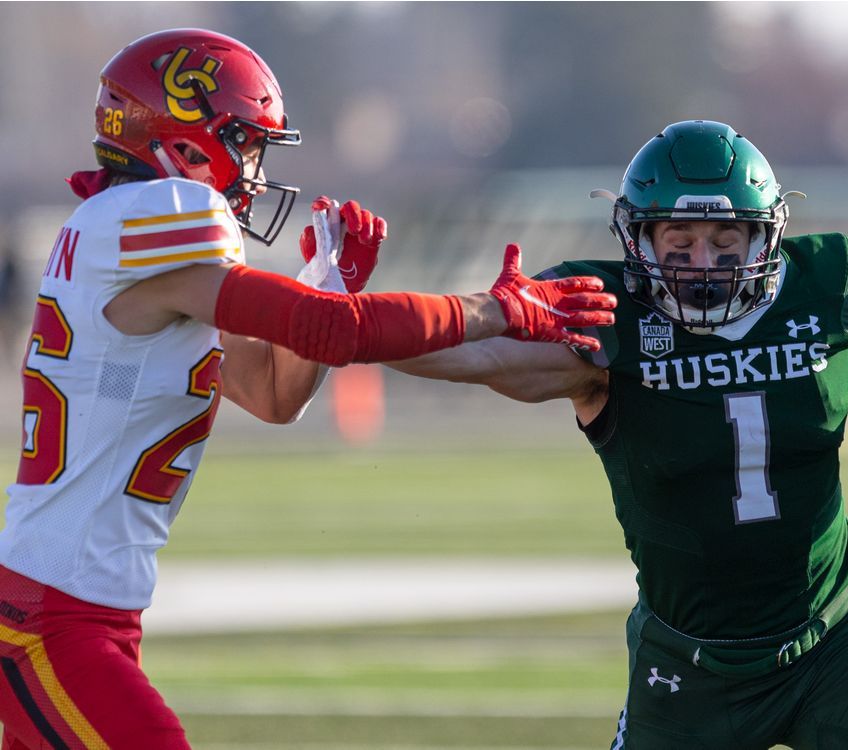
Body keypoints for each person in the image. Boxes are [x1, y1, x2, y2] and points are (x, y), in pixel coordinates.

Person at [0, 28, 616, 750]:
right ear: (185, 143)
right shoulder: (156, 218)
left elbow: (271, 395)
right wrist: (498, 309)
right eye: (246, 143)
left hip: (81, 610)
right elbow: (331, 332)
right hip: (50, 615)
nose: (255, 172)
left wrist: (328, 284)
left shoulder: (125, 238)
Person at [395, 120, 848, 749]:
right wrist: (352, 325)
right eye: (679, 242)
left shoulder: (819, 295)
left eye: (725, 240)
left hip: (833, 641)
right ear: (641, 241)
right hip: (690, 669)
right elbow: (474, 354)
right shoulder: (606, 322)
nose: (703, 265)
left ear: (764, 236)